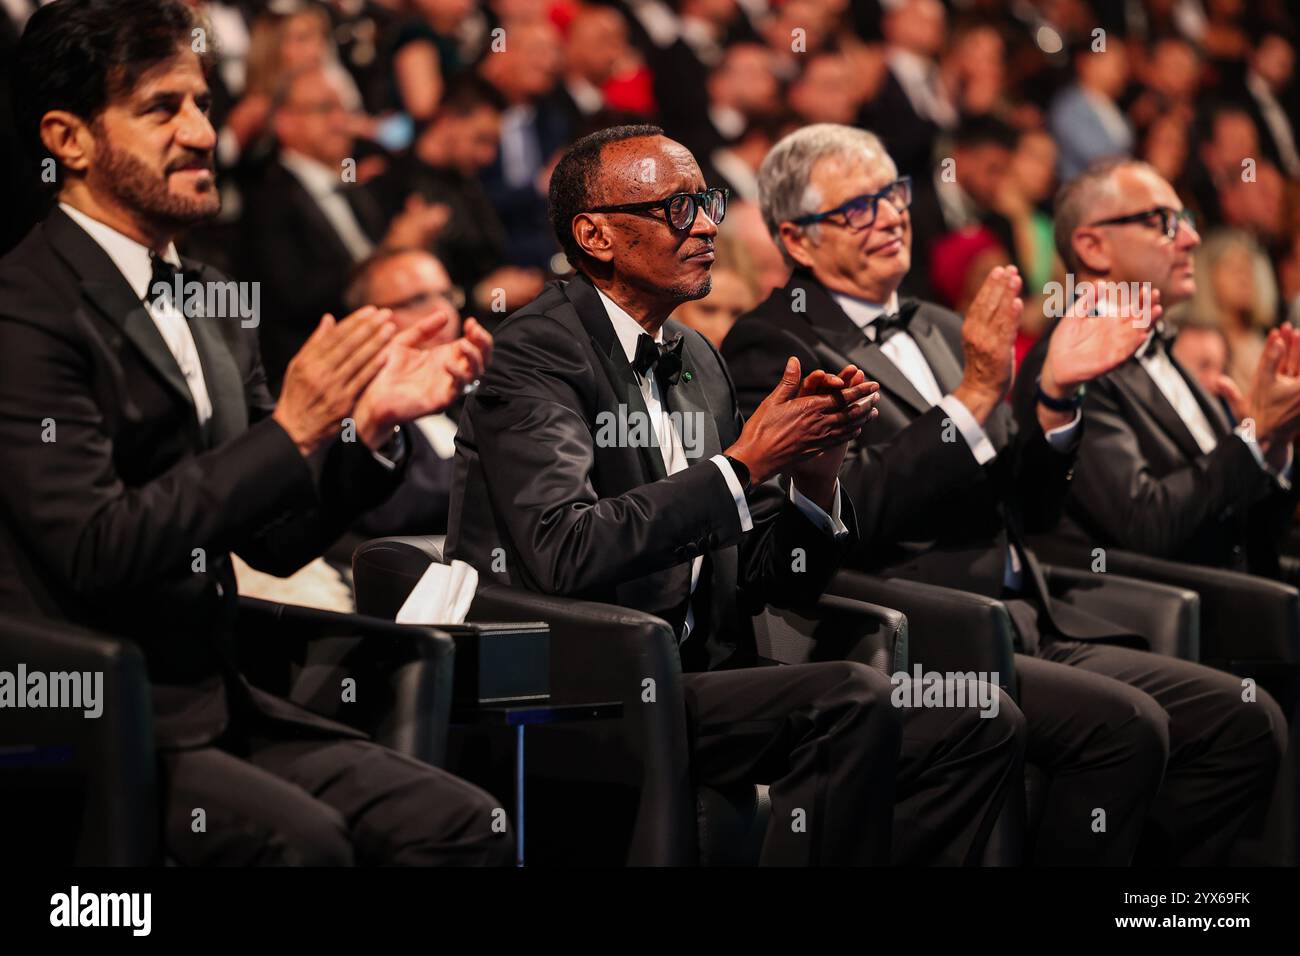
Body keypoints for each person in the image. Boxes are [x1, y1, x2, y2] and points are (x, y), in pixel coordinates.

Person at [0, 0, 507, 866]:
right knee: (307, 847)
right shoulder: (26, 308)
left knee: (465, 821)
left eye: (201, 102)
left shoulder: (209, 294)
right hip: (93, 713)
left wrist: (364, 434)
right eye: (162, 109)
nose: (201, 132)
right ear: (68, 139)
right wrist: (294, 429)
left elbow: (271, 542)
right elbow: (96, 548)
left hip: (224, 696)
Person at [448, 124, 1027, 866]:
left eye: (709, 201)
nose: (710, 224)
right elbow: (566, 549)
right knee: (853, 699)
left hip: (702, 675)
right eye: (679, 207)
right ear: (595, 234)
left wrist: (815, 483)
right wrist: (744, 464)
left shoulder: (696, 358)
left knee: (981, 719)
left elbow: (763, 574)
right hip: (580, 676)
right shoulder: (538, 351)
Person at [723, 123, 1286, 864]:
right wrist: (974, 396)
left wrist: (1053, 400)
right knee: (1126, 726)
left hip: (1031, 615)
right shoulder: (773, 344)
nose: (892, 214)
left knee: (1246, 723)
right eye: (858, 207)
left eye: (894, 193)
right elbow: (849, 506)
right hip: (924, 634)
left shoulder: (943, 326)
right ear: (796, 239)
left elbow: (1032, 504)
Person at [1017, 158, 1300, 582]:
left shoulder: (1168, 355)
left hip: (1243, 600)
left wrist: (1272, 452)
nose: (1190, 237)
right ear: (1093, 246)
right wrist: (1252, 438)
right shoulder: (1065, 370)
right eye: (1162, 222)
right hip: (1158, 622)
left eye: (1185, 219)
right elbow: (1146, 525)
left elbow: (1242, 528)